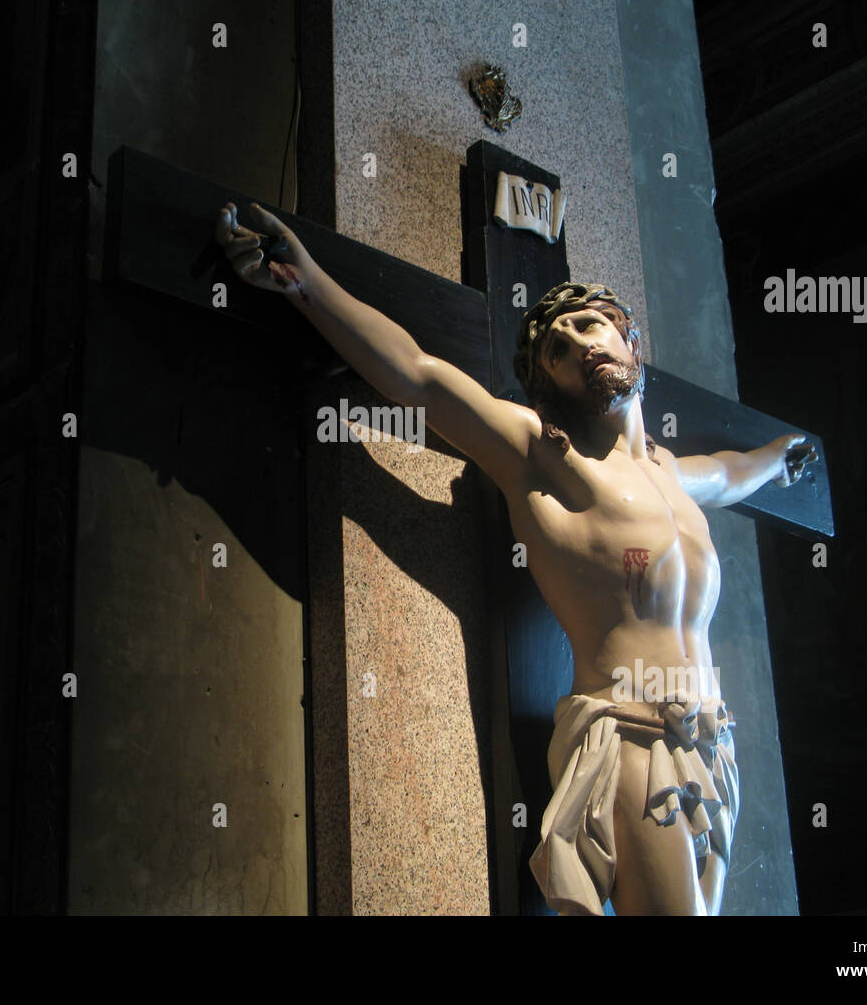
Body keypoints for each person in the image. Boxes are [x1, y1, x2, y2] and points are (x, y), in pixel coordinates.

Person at [215, 201, 816, 915]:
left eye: (589, 324)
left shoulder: (676, 477)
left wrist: (782, 460)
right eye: (557, 349)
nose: (576, 345)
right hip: (631, 738)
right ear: (549, 384)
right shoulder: (545, 456)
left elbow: (738, 469)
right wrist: (305, 279)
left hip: (712, 748)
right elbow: (418, 375)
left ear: (631, 337)